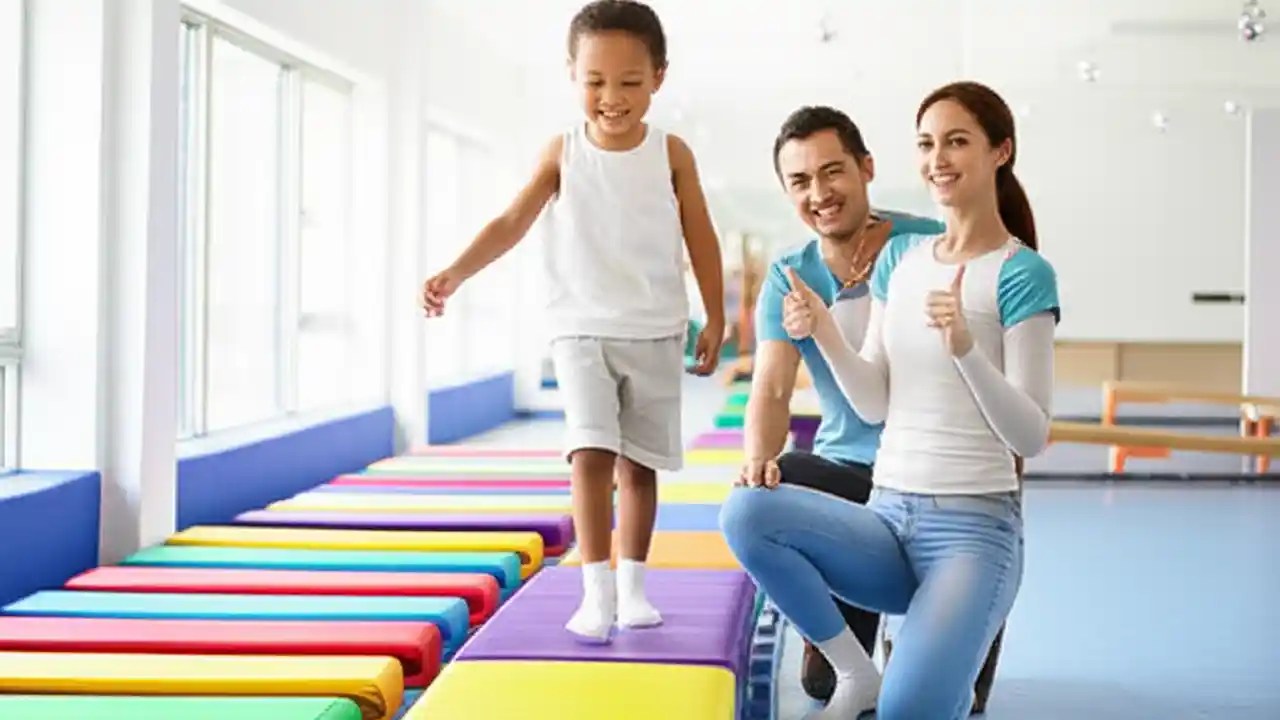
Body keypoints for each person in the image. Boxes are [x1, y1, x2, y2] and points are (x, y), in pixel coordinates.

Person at [721, 80, 1059, 720]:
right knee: (745, 512)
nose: (939, 158)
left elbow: (1032, 436)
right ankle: (859, 673)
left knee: (916, 707)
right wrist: (821, 325)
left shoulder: (1023, 272)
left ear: (1000, 152)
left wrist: (965, 349)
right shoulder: (901, 258)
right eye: (928, 143)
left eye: (957, 141)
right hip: (885, 511)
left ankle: (942, 652)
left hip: (970, 527)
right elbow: (870, 400)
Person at [420, 0, 725, 643]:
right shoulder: (563, 151)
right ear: (572, 74)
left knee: (640, 466)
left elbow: (701, 236)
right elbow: (511, 222)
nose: (611, 98)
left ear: (658, 78)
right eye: (595, 82)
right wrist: (456, 271)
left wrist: (716, 315)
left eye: (630, 83)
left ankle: (635, 586)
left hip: (656, 327)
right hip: (580, 326)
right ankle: (596, 590)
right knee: (590, 452)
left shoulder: (673, 154)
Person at [735, 105, 943, 702]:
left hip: (932, 473)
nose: (820, 193)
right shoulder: (789, 276)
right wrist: (758, 458)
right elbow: (772, 389)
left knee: (957, 698)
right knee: (777, 481)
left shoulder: (925, 246)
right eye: (800, 181)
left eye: (833, 172)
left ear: (866, 169)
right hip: (847, 474)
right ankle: (853, 647)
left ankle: (940, 628)